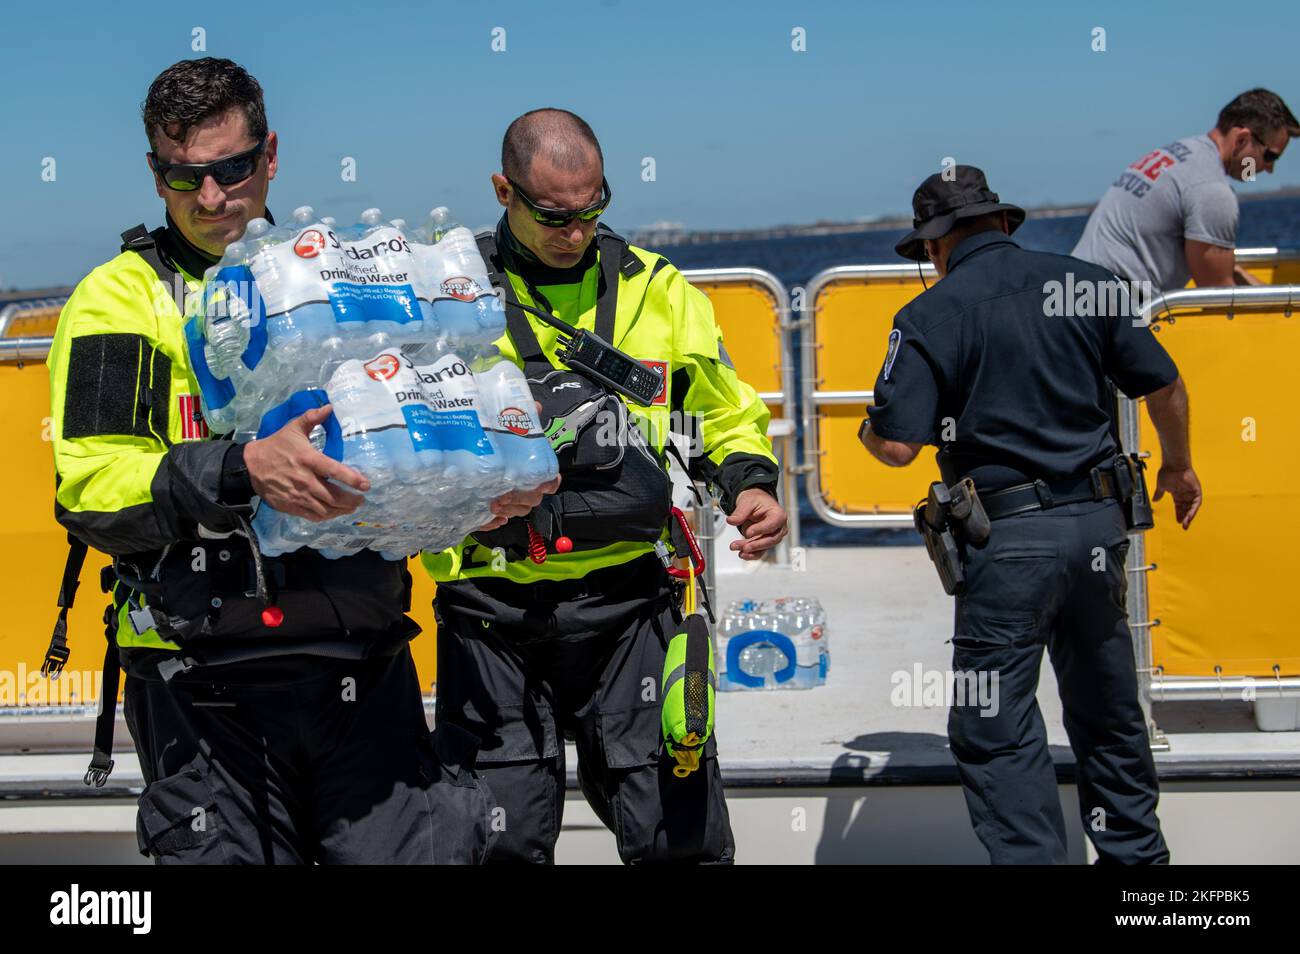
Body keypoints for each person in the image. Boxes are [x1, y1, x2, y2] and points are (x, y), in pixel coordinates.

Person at [47, 57, 546, 864]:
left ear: (271, 155)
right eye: (183, 177)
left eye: (233, 168)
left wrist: (484, 500)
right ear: (155, 173)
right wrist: (241, 469)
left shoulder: (353, 283)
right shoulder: (121, 300)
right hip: (202, 685)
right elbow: (92, 492)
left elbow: (426, 452)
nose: (212, 197)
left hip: (365, 668)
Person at [423, 108, 787, 864]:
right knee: (497, 843)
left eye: (593, 209)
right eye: (555, 215)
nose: (577, 230)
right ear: (503, 191)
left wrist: (749, 484)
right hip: (491, 608)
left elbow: (718, 411)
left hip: (630, 603)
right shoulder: (444, 295)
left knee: (678, 838)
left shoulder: (657, 288)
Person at [858, 165, 1202, 864]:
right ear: (1004, 222)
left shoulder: (928, 316)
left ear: (934, 245)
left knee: (996, 728)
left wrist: (869, 429)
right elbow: (1164, 384)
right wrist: (1178, 465)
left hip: (1007, 542)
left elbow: (896, 447)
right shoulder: (1089, 284)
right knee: (1108, 712)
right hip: (1099, 529)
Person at [1072, 88, 1298, 291]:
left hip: (1074, 294)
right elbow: (1219, 293)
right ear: (1242, 139)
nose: (1269, 169)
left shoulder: (1183, 154)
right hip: (1107, 308)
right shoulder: (1212, 190)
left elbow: (1217, 271)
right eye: (1270, 156)